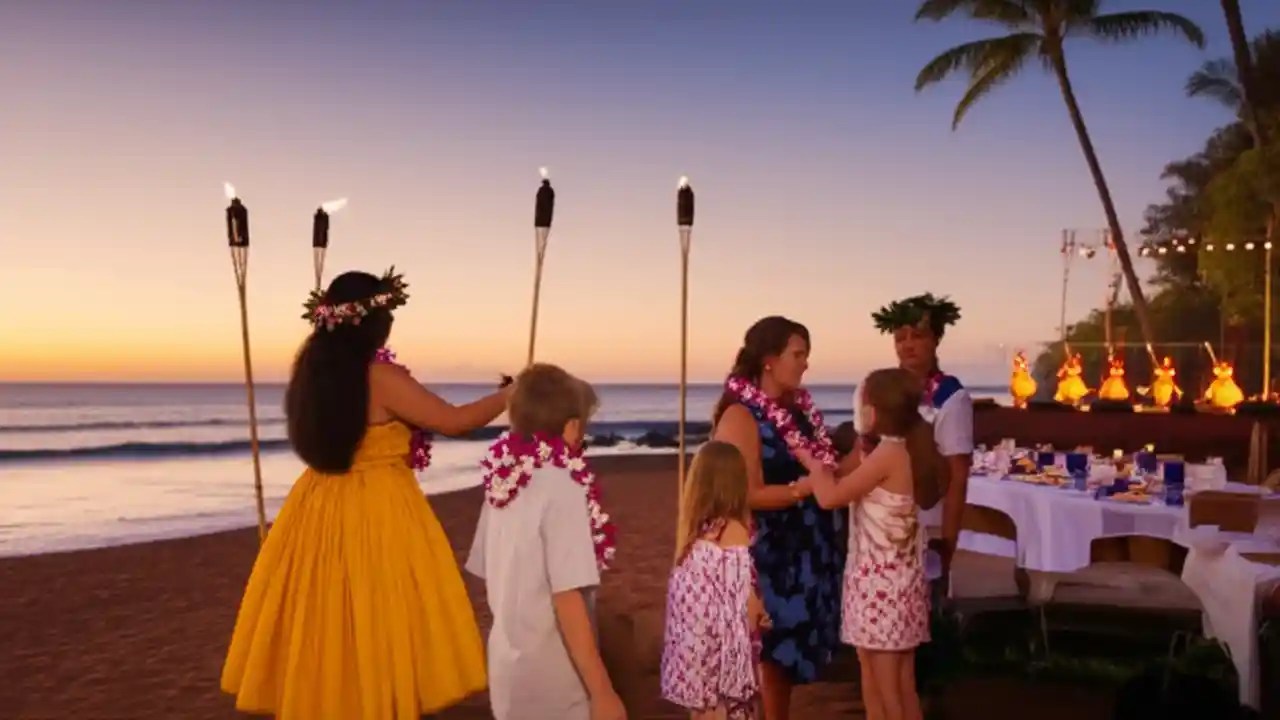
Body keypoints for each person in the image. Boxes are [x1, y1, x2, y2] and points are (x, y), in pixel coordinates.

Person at [221, 269, 511, 720]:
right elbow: (455, 422)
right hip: (377, 505)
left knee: (331, 615)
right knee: (380, 611)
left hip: (316, 502)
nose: (392, 321)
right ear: (371, 321)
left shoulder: (311, 373)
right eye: (388, 311)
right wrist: (512, 395)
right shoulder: (379, 375)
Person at [712, 316, 854, 720]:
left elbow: (825, 465)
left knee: (788, 666)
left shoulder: (800, 412)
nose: (805, 363)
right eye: (799, 354)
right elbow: (745, 494)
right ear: (770, 360)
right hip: (770, 554)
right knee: (772, 658)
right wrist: (803, 489)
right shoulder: (741, 416)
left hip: (808, 552)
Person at [466, 363, 625, 720]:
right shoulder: (561, 486)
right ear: (572, 427)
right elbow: (567, 598)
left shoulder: (503, 484)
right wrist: (602, 691)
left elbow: (489, 571)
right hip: (555, 680)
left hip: (509, 672)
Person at [798, 368, 938, 720]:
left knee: (891, 686)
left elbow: (830, 497)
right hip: (884, 584)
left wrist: (812, 467)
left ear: (871, 413)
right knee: (882, 678)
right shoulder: (886, 453)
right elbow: (848, 474)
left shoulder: (888, 455)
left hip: (883, 588)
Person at [661, 441, 768, 719]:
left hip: (694, 667)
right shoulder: (732, 532)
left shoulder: (696, 536)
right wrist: (758, 612)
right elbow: (740, 603)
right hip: (721, 670)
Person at [870, 293, 971, 581]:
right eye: (900, 338)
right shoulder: (878, 388)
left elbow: (958, 475)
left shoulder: (951, 396)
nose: (908, 345)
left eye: (917, 336)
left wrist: (948, 545)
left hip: (922, 524)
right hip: (875, 523)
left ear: (936, 339)